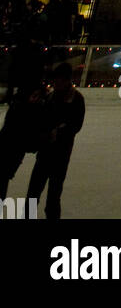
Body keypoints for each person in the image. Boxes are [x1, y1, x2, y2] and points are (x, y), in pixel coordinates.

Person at [27, 62, 86, 220]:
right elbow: (39, 120)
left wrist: (57, 132)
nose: (55, 83)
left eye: (59, 80)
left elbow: (75, 125)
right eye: (55, 80)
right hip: (44, 152)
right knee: (33, 194)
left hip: (60, 155)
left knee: (53, 197)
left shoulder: (76, 99)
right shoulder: (50, 96)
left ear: (67, 80)